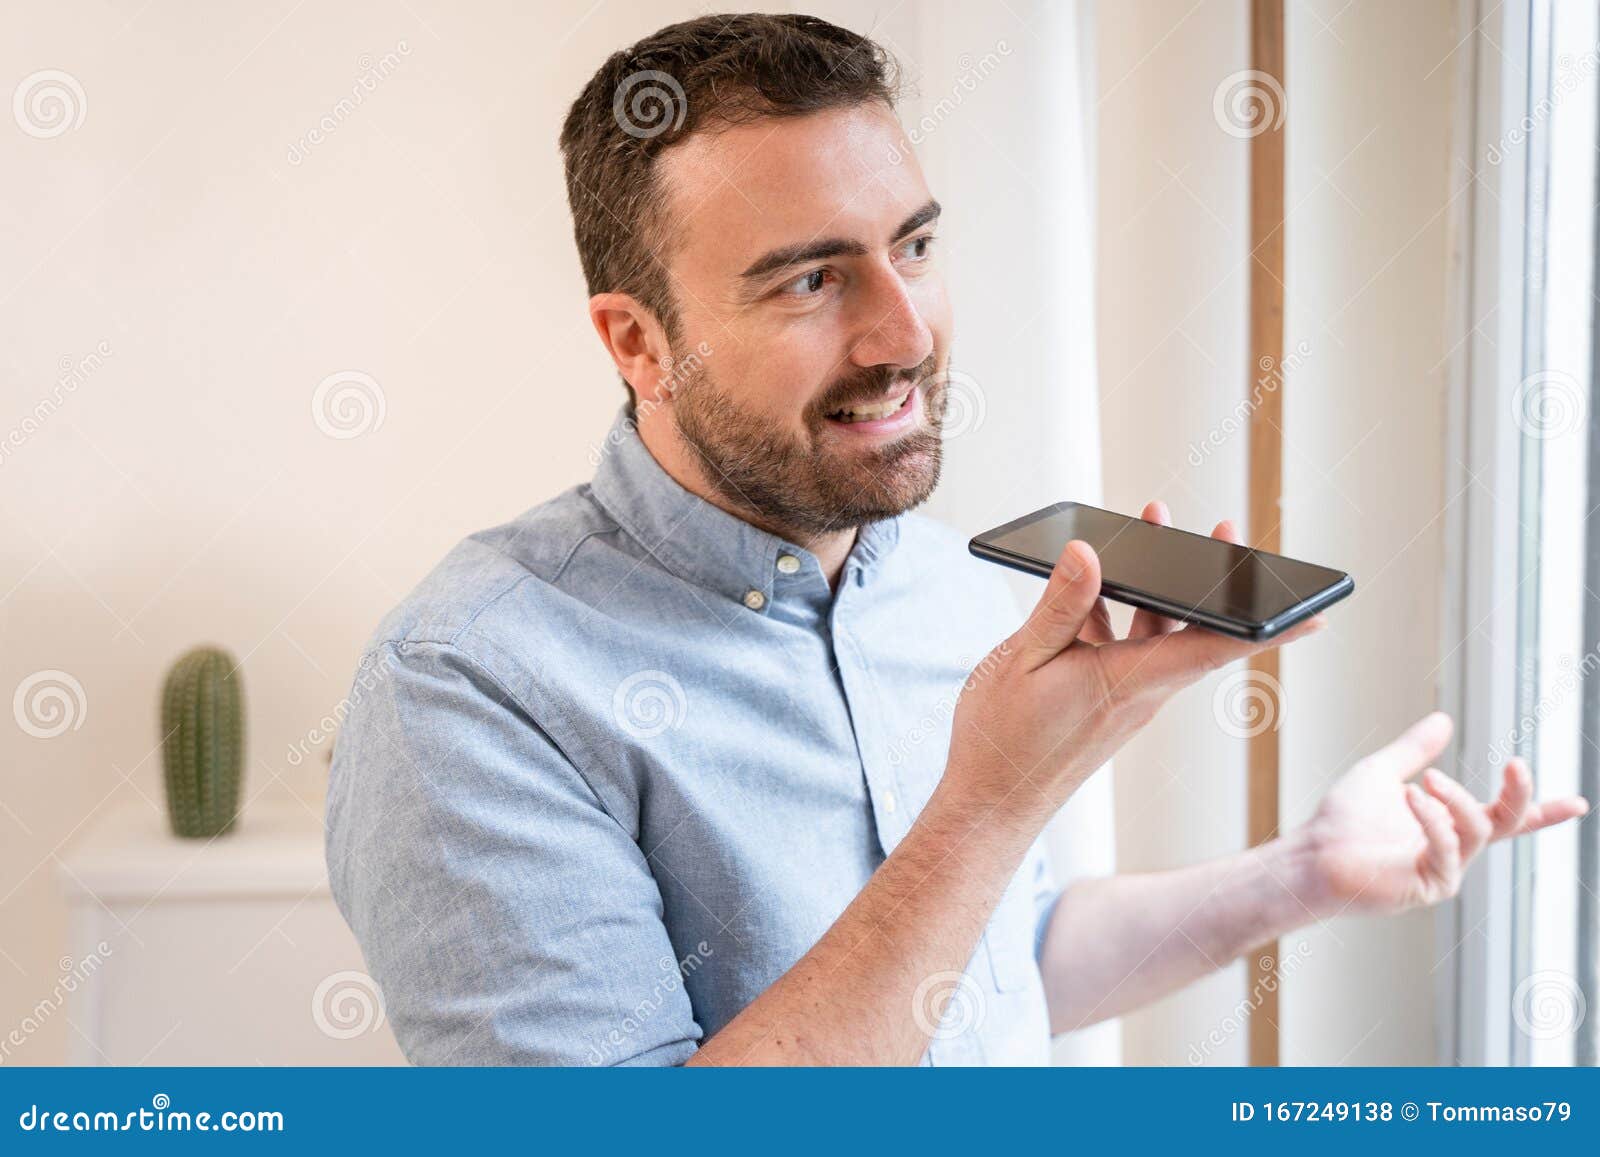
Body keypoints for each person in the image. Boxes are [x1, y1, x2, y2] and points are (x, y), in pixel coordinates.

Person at [324, 12, 1588, 1066]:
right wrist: (988, 803)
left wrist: (1297, 875)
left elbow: (992, 969)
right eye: (810, 279)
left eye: (913, 246)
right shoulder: (466, 683)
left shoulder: (941, 584)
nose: (902, 333)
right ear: (638, 342)